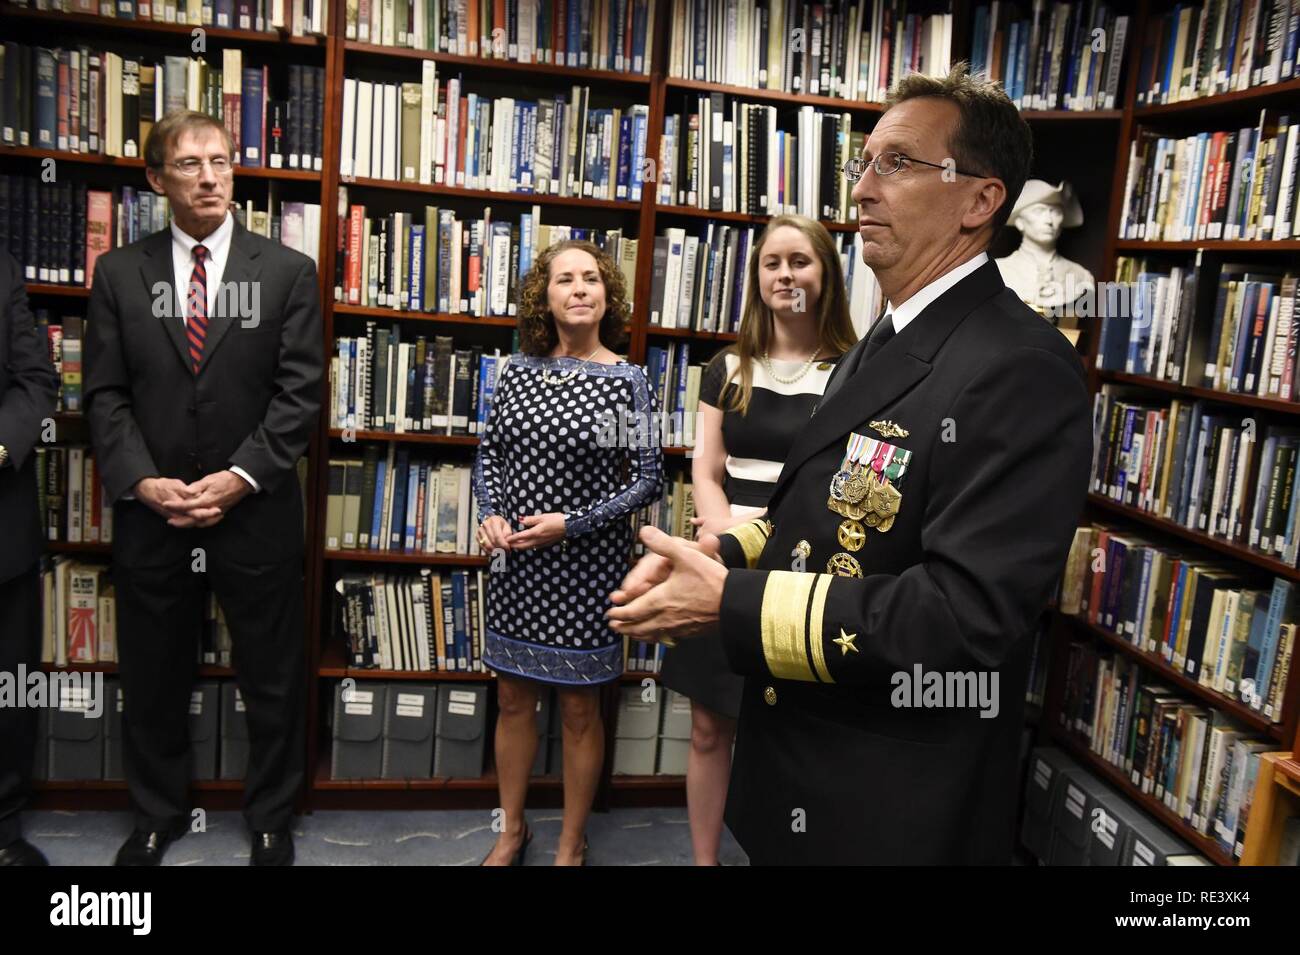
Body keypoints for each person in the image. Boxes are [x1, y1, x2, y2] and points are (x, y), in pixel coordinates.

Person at [607, 64, 1094, 864]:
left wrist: (731, 602)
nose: (862, 190)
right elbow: (822, 515)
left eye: (896, 164)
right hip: (801, 762)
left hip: (886, 801)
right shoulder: (887, 337)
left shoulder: (1021, 366)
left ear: (981, 200)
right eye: (862, 164)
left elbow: (961, 618)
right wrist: (716, 552)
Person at [83, 109, 322, 866]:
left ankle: (271, 818)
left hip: (257, 513)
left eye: (221, 160)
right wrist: (145, 482)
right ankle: (156, 814)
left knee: (274, 676)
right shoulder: (120, 273)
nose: (212, 176)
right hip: (155, 517)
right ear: (156, 179)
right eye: (190, 164)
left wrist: (241, 476)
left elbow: (300, 393)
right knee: (152, 675)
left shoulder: (286, 272)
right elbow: (104, 395)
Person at [659, 214, 856, 865]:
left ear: (824, 273)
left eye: (800, 261)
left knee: (795, 735)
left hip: (805, 578)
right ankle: (704, 859)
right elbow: (706, 471)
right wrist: (722, 535)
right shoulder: (727, 367)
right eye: (772, 263)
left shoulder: (853, 371)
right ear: (756, 277)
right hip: (725, 567)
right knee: (711, 728)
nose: (785, 275)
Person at [472, 239, 662, 866]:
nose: (579, 288)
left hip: (586, 570)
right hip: (516, 565)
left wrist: (571, 524)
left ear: (606, 296)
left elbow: (646, 479)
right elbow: (490, 454)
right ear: (544, 298)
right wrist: (491, 514)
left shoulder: (628, 381)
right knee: (512, 699)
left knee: (581, 709)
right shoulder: (516, 372)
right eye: (564, 280)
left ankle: (572, 841)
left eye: (591, 279)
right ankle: (512, 829)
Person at [0, 250, 60, 866]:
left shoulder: (2, 269)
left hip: (1, 514)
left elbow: (37, 379)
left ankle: (2, 824)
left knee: (6, 676)